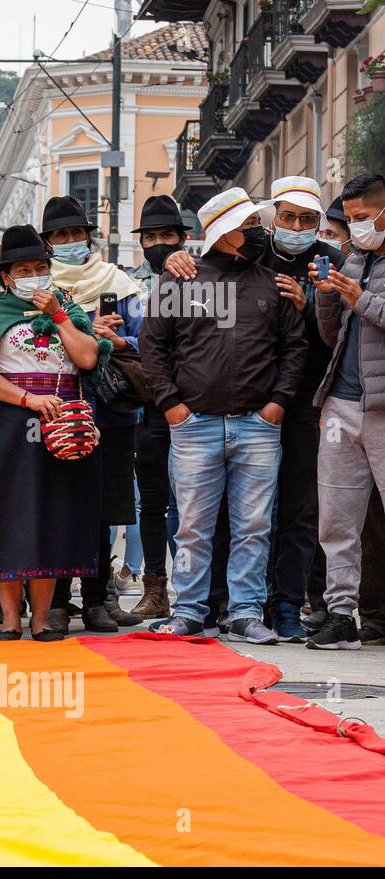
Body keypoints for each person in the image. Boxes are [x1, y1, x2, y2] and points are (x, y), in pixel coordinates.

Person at [142, 187, 305, 643]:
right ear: (224, 232)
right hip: (194, 426)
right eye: (250, 226)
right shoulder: (178, 281)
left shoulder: (273, 284)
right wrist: (172, 407)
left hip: (258, 425)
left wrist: (277, 405)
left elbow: (294, 349)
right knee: (192, 525)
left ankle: (245, 611)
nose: (259, 233)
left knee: (255, 526)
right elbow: (153, 349)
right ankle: (191, 609)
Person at [0, 224, 105, 641]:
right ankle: (8, 618)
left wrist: (58, 315)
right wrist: (27, 400)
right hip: (9, 423)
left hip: (65, 423)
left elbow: (88, 359)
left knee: (53, 513)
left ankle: (42, 618)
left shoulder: (68, 311)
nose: (35, 275)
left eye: (41, 266)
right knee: (7, 514)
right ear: (6, 276)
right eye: (24, 269)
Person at [40, 195, 144, 633]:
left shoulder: (119, 283)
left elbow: (145, 339)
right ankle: (59, 601)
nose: (70, 242)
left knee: (102, 506)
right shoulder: (37, 287)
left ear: (88, 236)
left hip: (109, 413)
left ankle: (98, 598)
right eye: (60, 235)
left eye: (76, 234)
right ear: (48, 243)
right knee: (61, 504)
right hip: (54, 409)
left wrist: (117, 342)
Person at [306, 172, 385, 650]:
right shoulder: (353, 260)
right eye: (351, 219)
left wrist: (363, 300)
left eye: (362, 218)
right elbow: (331, 335)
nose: (356, 228)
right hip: (340, 400)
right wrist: (328, 298)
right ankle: (339, 614)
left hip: (382, 406)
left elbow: (374, 311)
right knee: (336, 517)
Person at [129, 195, 190, 619]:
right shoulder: (126, 285)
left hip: (192, 408)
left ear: (182, 238)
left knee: (193, 505)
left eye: (166, 235)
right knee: (152, 503)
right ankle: (155, 589)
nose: (158, 244)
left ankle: (195, 591)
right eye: (150, 237)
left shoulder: (202, 279)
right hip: (146, 408)